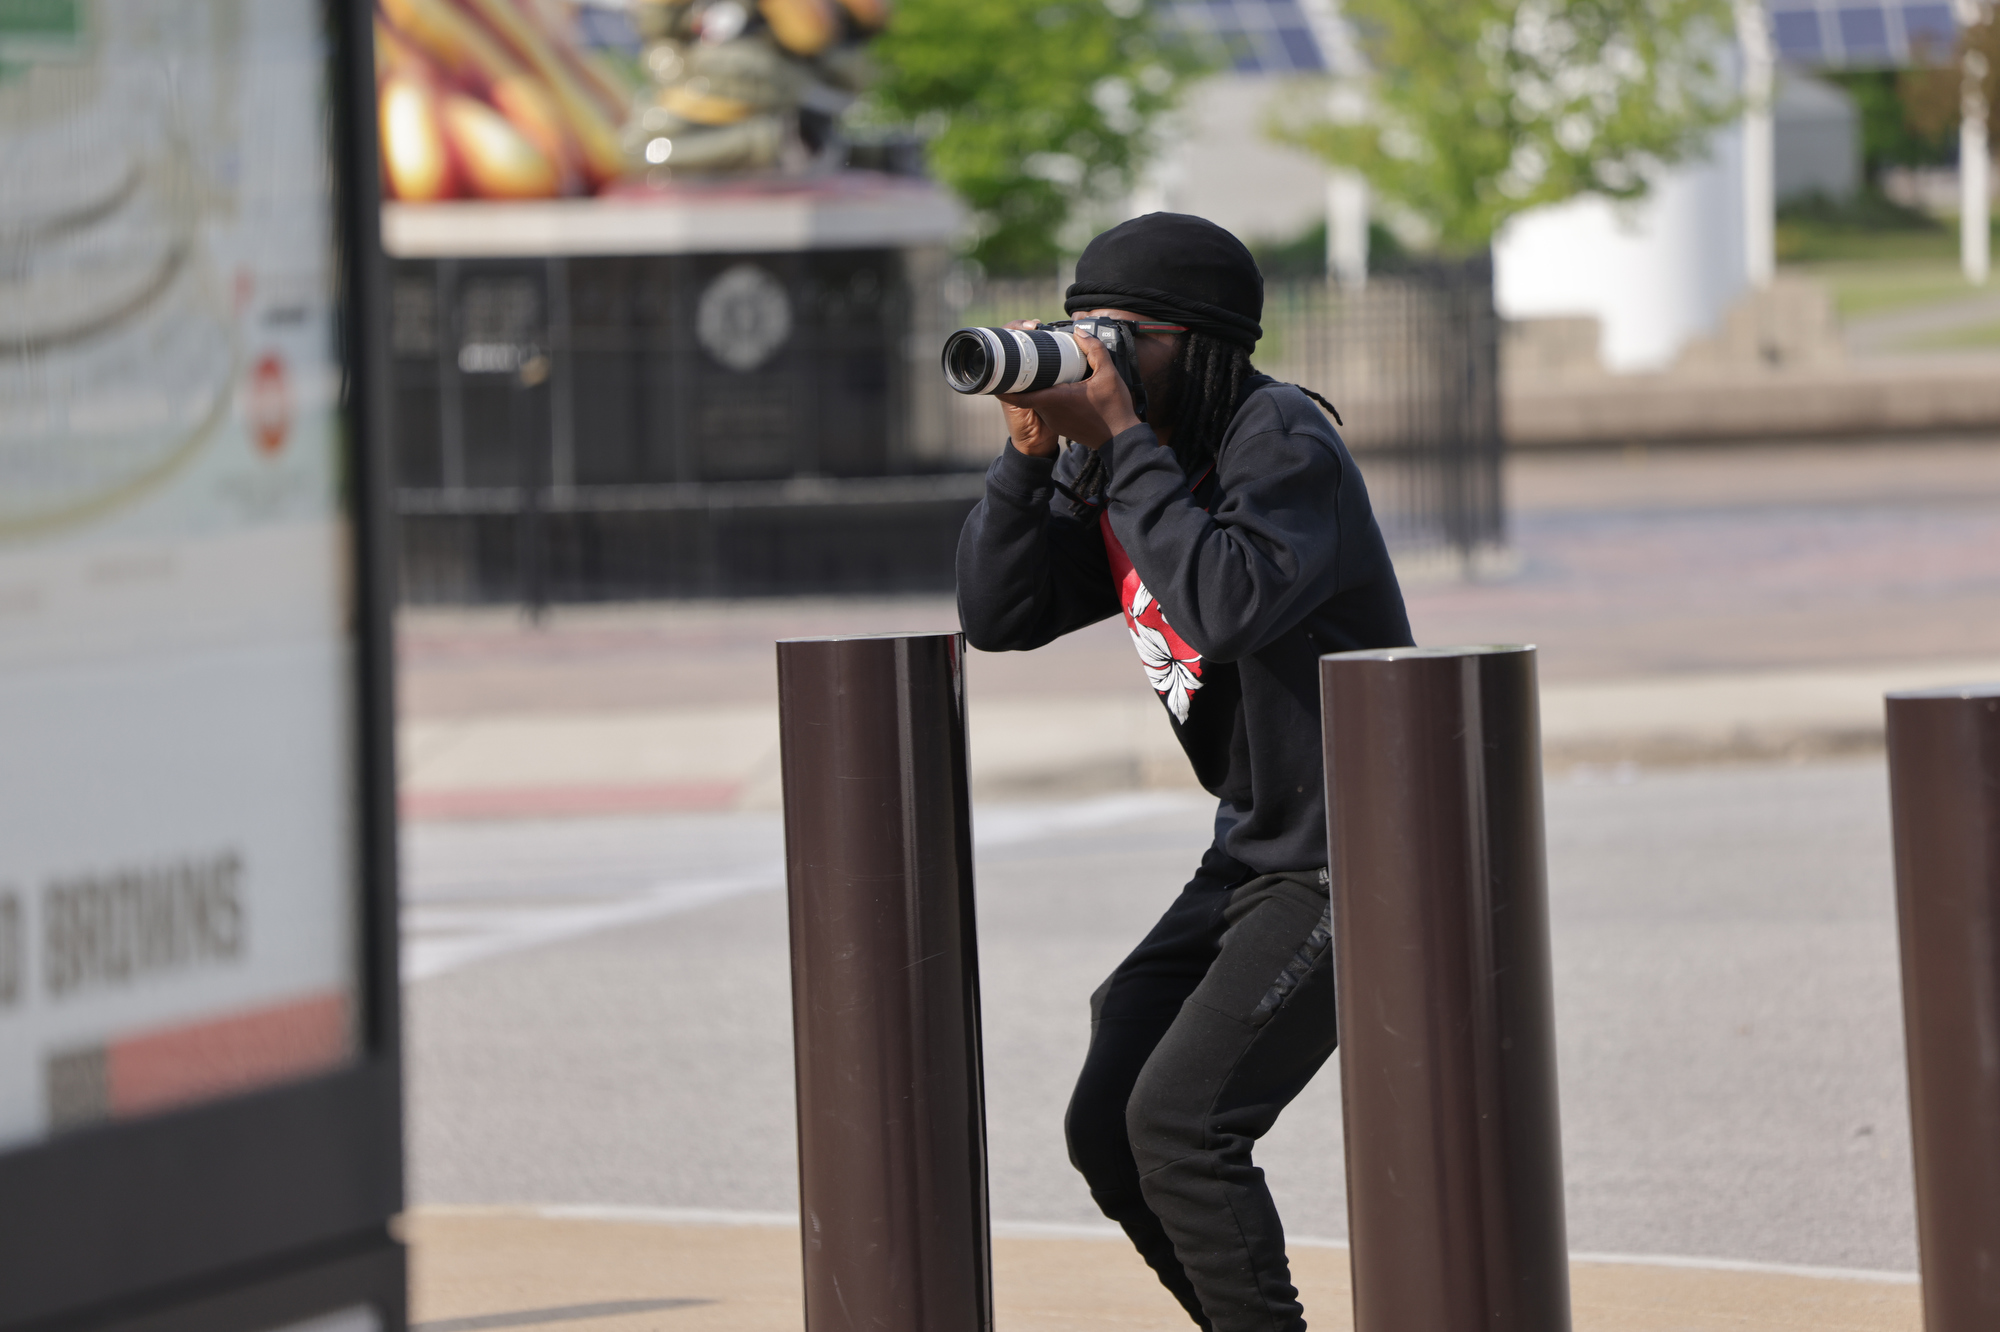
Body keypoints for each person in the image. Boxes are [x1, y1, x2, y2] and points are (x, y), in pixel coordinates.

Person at [954, 212, 1414, 1332]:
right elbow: (998, 614)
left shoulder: (1280, 438)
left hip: (1357, 847)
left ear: (1195, 342)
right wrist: (1030, 459)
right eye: (1078, 331)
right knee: (1108, 1122)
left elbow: (1224, 601)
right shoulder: (1131, 463)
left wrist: (1117, 444)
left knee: (1179, 1122)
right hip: (1259, 844)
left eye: (1117, 334)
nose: (1094, 355)